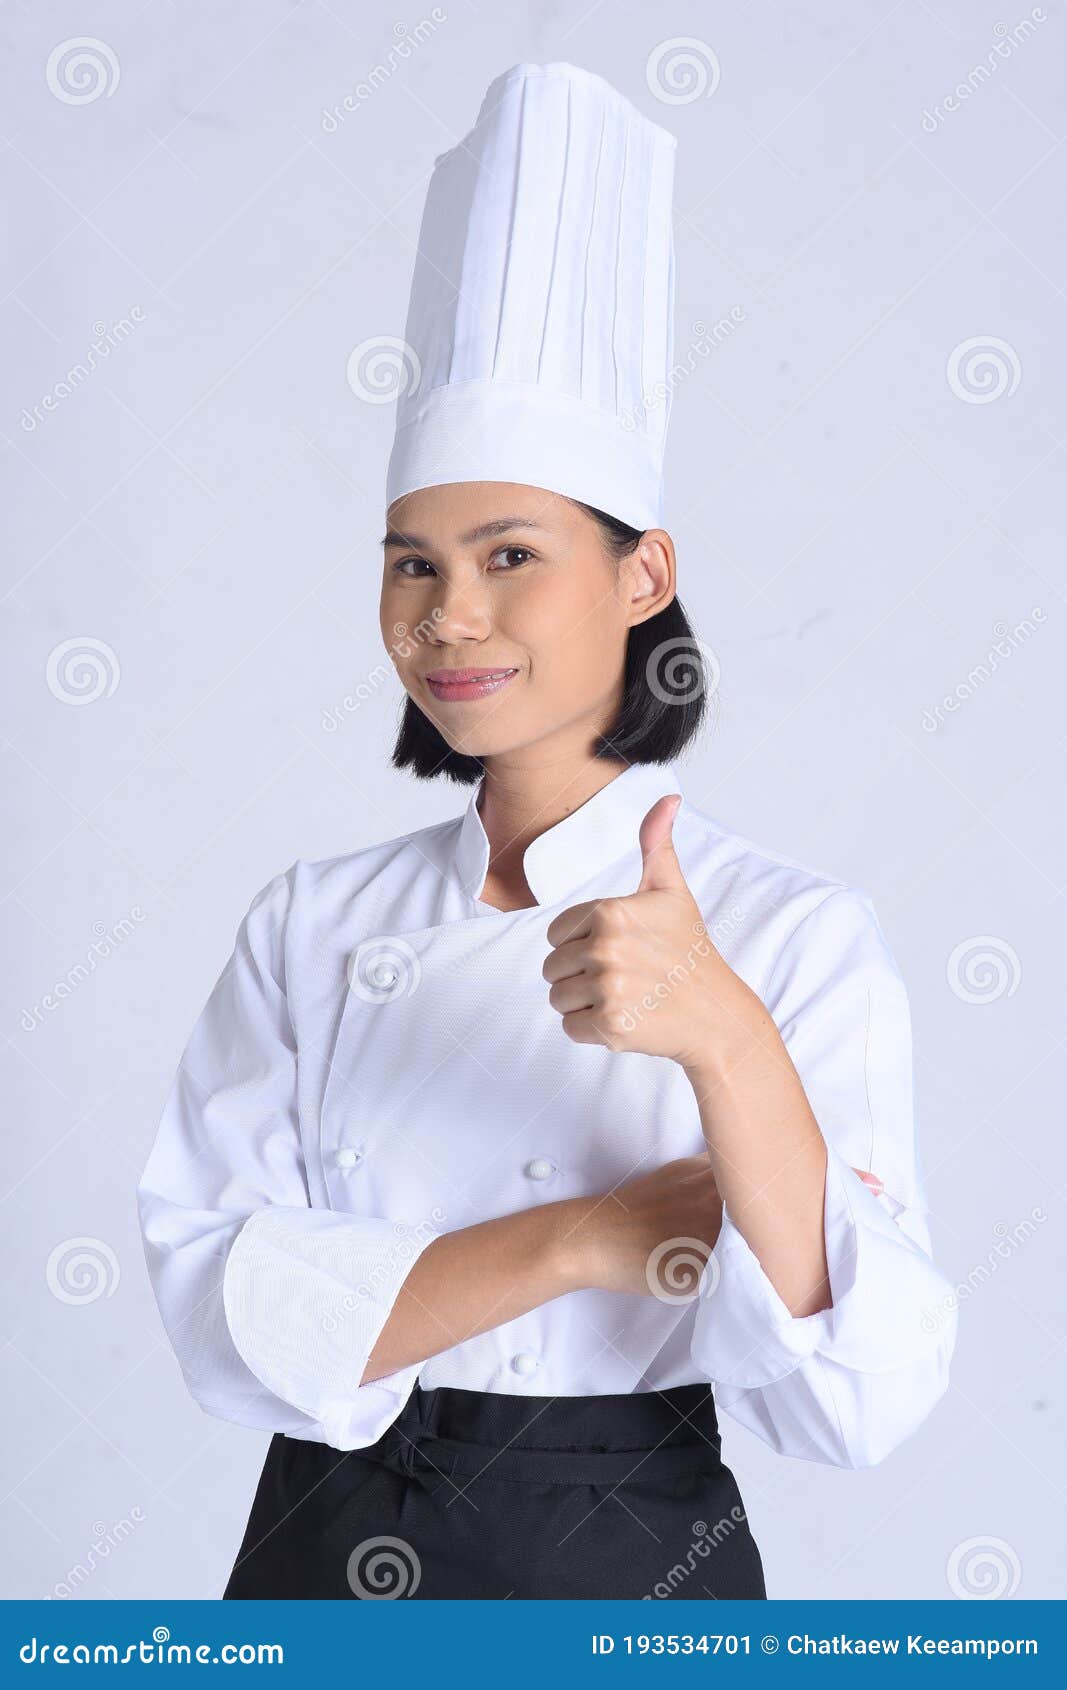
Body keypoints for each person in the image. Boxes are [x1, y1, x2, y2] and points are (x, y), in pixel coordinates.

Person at [137, 62, 957, 1601]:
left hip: (629, 1554)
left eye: (511, 555)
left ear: (644, 575)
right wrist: (586, 1239)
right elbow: (221, 1305)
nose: (450, 616)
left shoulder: (791, 936)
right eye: (412, 563)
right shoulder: (313, 926)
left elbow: (855, 1392)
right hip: (319, 1551)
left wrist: (728, 1040)